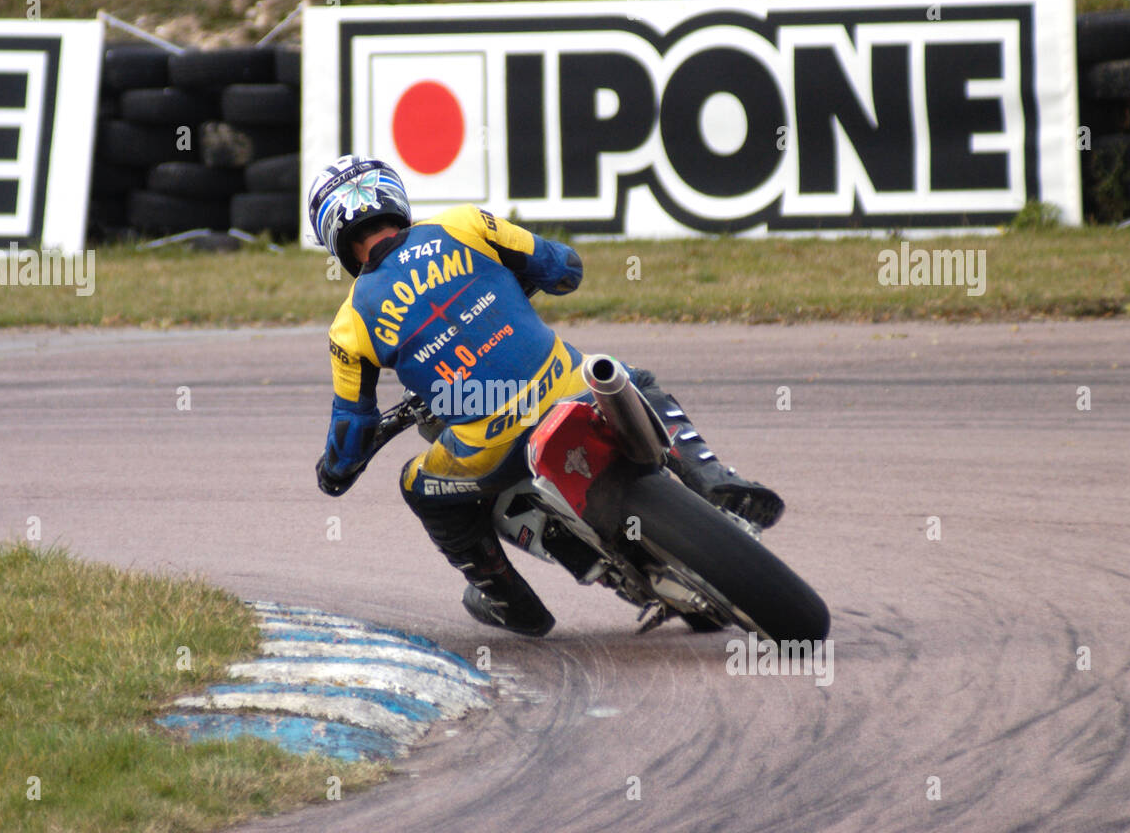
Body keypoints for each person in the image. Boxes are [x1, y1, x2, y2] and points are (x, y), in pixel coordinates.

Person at [309, 155, 783, 637]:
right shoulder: (463, 223)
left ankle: (508, 599)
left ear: (334, 239)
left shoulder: (350, 327)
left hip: (489, 448)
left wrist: (334, 473)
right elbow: (565, 269)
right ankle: (711, 476)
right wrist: (508, 289)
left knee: (417, 486)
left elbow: (351, 431)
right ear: (394, 197)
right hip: (570, 386)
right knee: (635, 380)